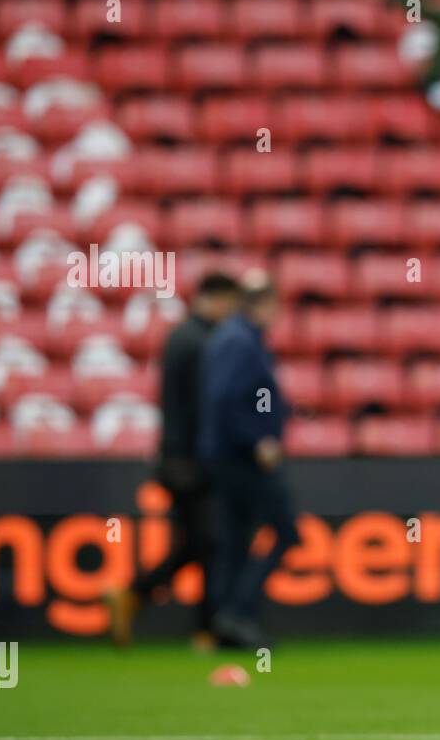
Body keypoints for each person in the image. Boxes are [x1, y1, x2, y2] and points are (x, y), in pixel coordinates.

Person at [104, 271, 240, 650]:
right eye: (228, 304)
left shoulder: (182, 337)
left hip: (177, 456)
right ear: (214, 299)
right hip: (191, 462)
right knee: (208, 543)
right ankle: (203, 627)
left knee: (196, 543)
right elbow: (204, 407)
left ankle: (135, 598)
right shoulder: (201, 342)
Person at [199, 270, 298, 649]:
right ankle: (236, 613)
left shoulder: (238, 337)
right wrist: (258, 440)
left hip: (231, 457)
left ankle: (228, 624)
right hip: (242, 459)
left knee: (236, 540)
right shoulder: (239, 341)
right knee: (285, 531)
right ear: (262, 303)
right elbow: (225, 398)